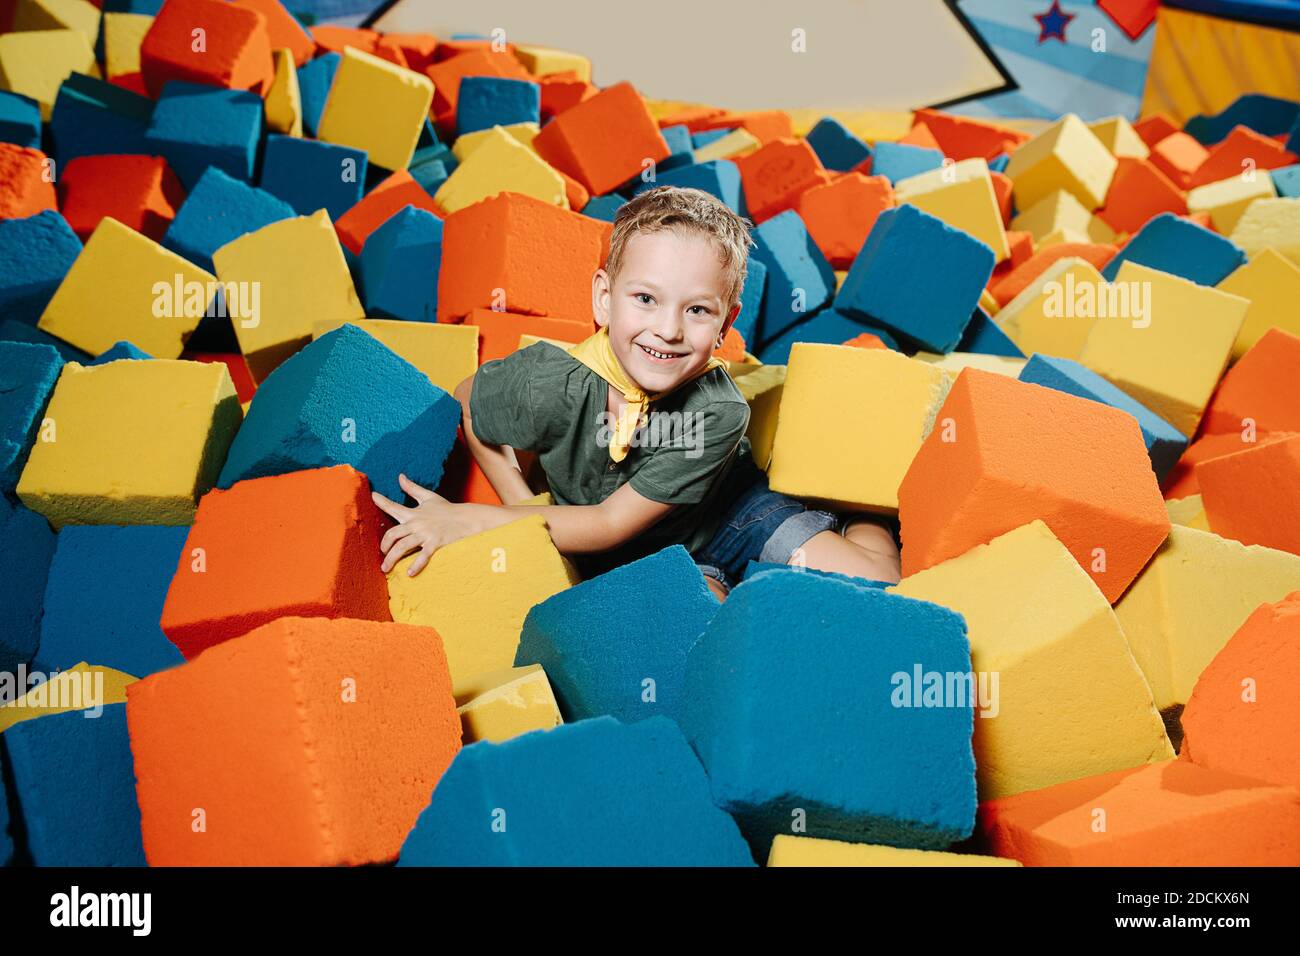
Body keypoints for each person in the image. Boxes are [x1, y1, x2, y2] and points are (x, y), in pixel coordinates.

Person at [371, 185, 900, 598]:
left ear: (725, 325)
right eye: (646, 298)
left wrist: (473, 520)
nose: (668, 329)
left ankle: (857, 511)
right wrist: (519, 502)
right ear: (604, 298)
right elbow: (468, 398)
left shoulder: (716, 411)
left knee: (878, 584)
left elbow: (607, 522)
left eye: (697, 310)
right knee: (699, 639)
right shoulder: (549, 383)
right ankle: (748, 590)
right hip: (645, 557)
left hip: (731, 518)